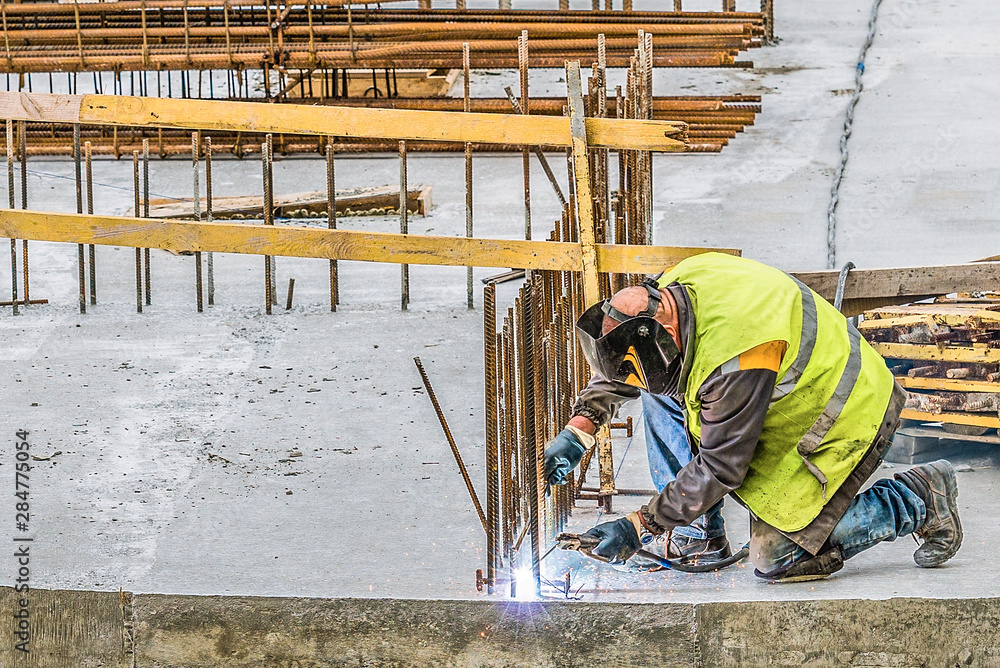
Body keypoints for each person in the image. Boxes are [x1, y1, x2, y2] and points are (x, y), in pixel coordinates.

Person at [544, 253, 962, 581]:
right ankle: (697, 537)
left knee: (776, 559)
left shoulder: (736, 356)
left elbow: (723, 466)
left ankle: (918, 498)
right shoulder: (673, 288)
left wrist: (641, 524)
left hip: (842, 412)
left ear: (665, 335)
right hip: (785, 388)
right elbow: (632, 362)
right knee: (662, 392)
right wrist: (580, 428)